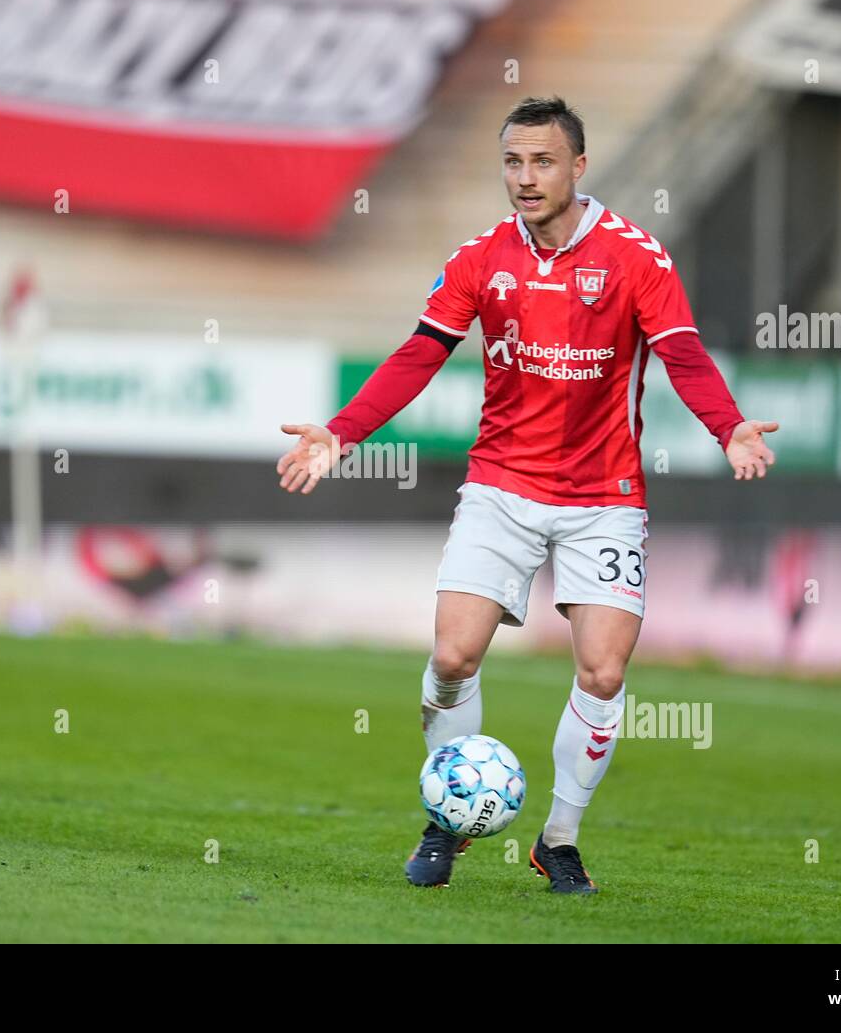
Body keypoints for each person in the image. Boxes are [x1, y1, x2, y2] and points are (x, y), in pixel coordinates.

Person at [277, 97, 778, 893]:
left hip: (604, 494)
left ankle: (560, 839)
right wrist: (341, 433)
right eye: (513, 161)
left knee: (605, 673)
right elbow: (418, 355)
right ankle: (448, 820)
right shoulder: (481, 258)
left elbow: (682, 354)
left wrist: (729, 428)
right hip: (501, 486)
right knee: (452, 654)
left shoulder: (636, 257)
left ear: (579, 167)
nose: (526, 177)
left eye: (543, 161)